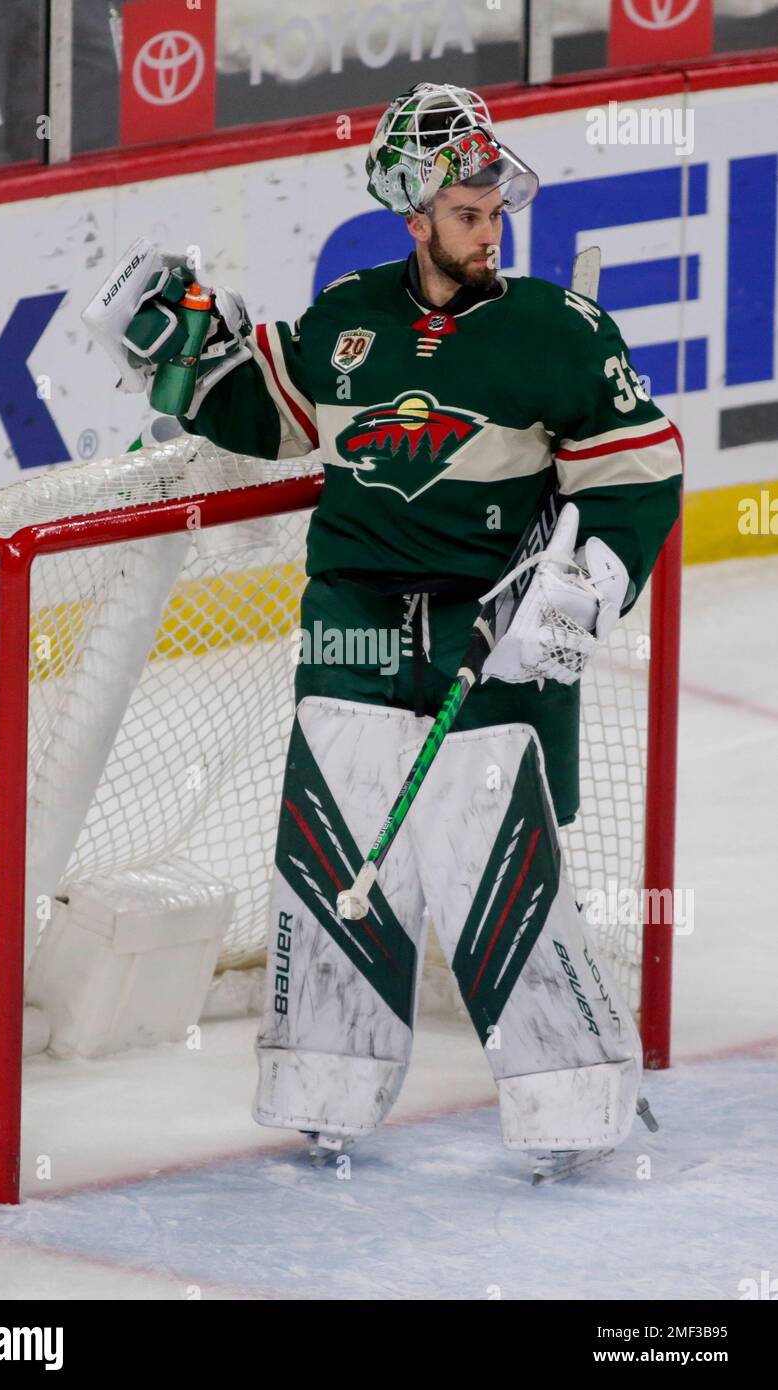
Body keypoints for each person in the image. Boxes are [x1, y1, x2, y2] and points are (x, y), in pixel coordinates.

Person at [121, 82, 682, 1180]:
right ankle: (321, 1084)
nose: (491, 230)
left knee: (495, 866)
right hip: (353, 625)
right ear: (415, 215)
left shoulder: (554, 332)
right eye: (468, 212)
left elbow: (636, 474)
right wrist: (184, 358)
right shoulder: (347, 315)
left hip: (493, 634)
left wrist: (583, 586)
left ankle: (573, 1101)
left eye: (496, 209)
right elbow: (265, 412)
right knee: (333, 854)